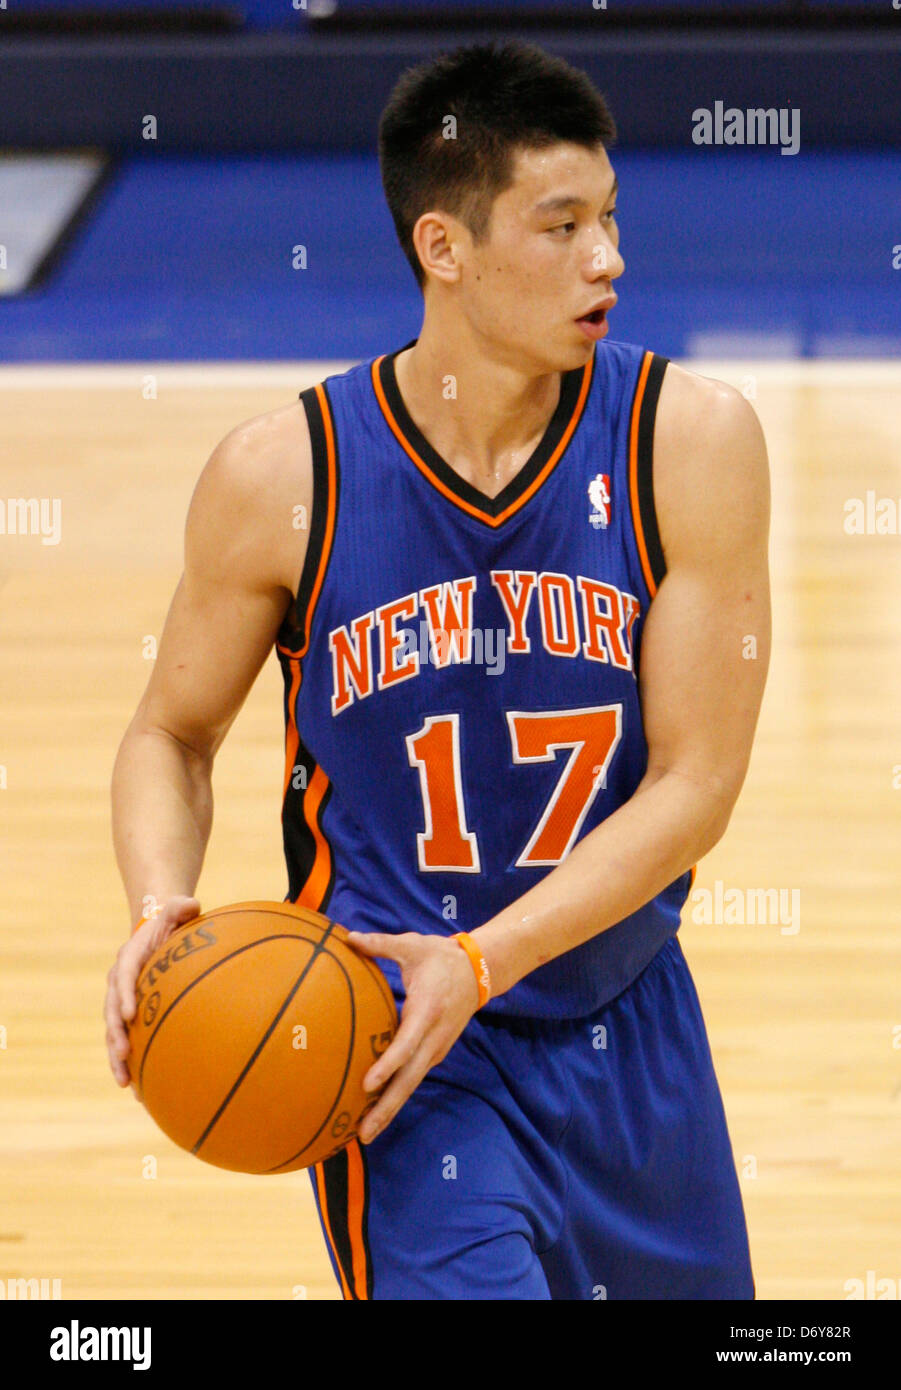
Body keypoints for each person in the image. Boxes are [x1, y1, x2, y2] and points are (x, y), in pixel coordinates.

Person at [105, 39, 770, 1300]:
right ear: (443, 248)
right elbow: (171, 733)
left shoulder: (690, 443)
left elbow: (697, 786)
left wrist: (487, 960)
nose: (609, 259)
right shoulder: (283, 477)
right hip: (399, 1054)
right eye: (562, 224)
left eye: (612, 218)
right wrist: (158, 904)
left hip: (629, 1028)